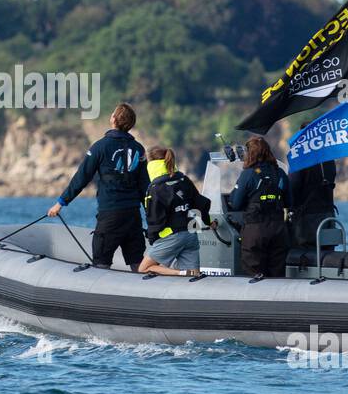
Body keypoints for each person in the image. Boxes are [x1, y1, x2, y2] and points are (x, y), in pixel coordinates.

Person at [47, 102, 147, 270]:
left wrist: (60, 203)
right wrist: (152, 217)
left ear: (113, 119)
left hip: (110, 215)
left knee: (101, 263)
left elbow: (82, 177)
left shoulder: (100, 147)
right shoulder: (139, 149)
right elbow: (145, 186)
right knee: (137, 262)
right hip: (133, 215)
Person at [139, 146, 216, 276]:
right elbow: (202, 204)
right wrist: (208, 222)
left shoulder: (155, 188)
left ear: (151, 164)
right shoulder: (184, 180)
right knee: (194, 276)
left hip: (171, 236)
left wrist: (153, 240)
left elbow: (155, 219)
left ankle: (180, 273)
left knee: (144, 269)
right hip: (191, 234)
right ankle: (189, 274)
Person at [228, 136, 291, 279]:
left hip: (255, 232)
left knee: (254, 273)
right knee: (277, 274)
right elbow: (289, 202)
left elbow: (236, 203)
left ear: (250, 154)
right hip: (278, 231)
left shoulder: (248, 174)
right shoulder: (280, 173)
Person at [289, 159, 337, 247]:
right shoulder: (329, 158)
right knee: (327, 255)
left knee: (303, 255)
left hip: (307, 222)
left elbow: (292, 187)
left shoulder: (300, 159)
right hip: (328, 217)